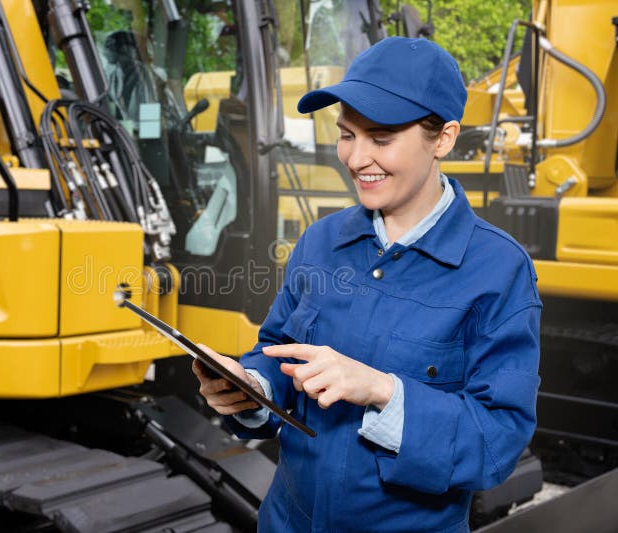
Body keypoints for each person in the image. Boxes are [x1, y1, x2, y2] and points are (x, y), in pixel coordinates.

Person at [192, 37, 541, 532]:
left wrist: (382, 390)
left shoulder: (498, 270)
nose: (355, 159)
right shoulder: (320, 242)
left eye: (380, 139)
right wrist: (251, 389)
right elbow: (275, 351)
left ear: (443, 138)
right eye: (347, 134)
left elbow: (498, 441)